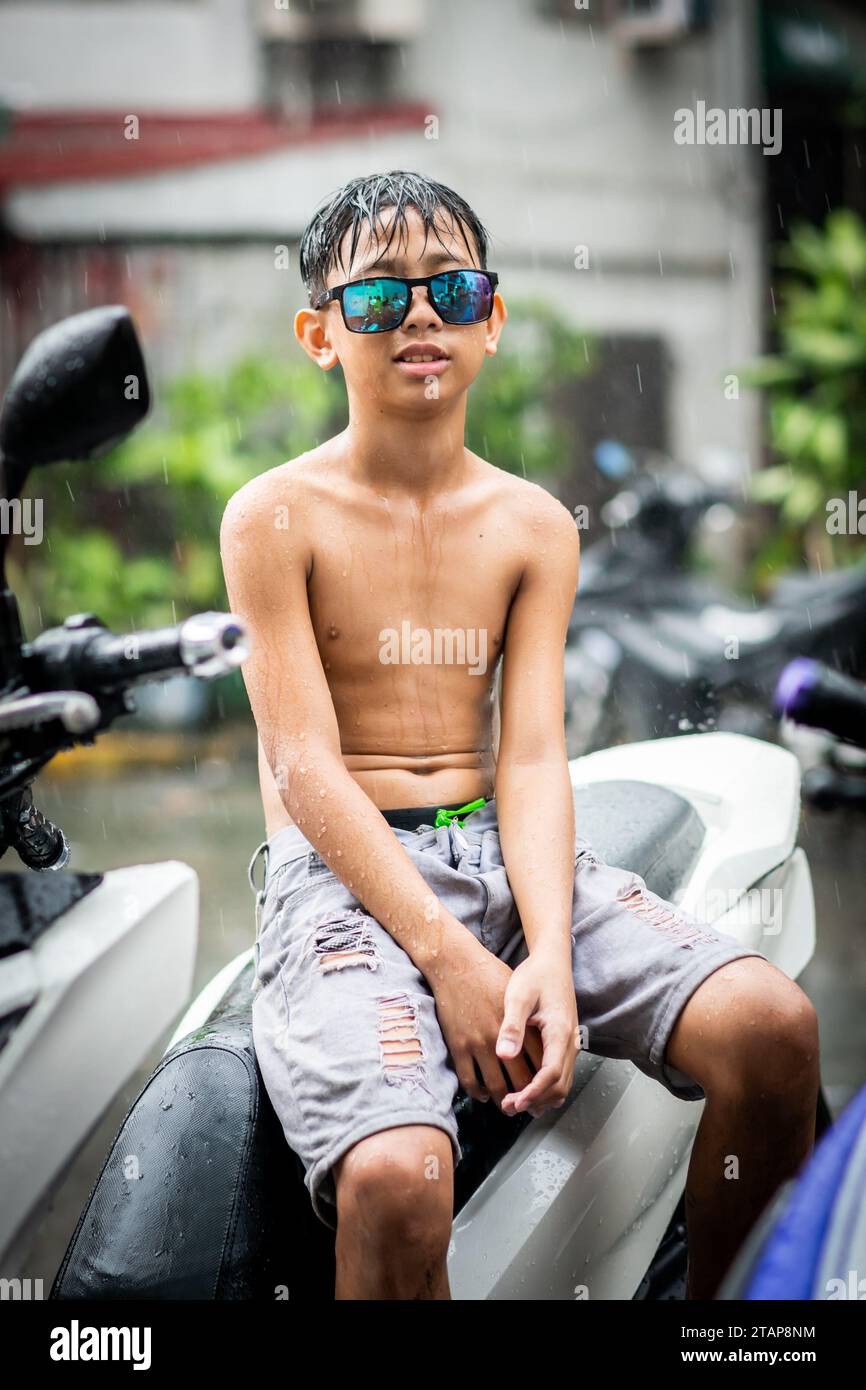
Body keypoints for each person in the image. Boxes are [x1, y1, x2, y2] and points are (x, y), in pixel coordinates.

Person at [220, 169, 820, 1301]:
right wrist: (450, 961)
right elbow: (302, 768)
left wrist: (542, 949)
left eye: (449, 287)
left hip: (507, 849)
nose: (417, 316)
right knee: (397, 1180)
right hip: (343, 880)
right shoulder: (271, 516)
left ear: (490, 319)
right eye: (374, 298)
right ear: (318, 333)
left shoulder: (531, 523)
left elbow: (534, 755)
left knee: (772, 1030)